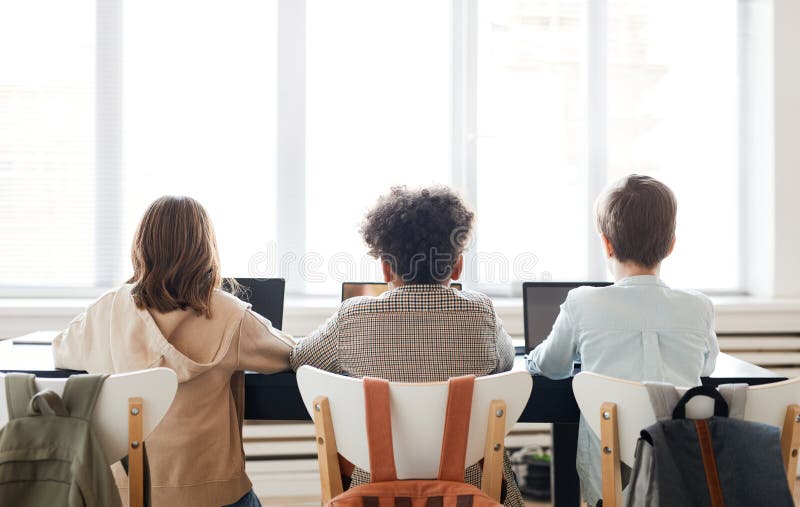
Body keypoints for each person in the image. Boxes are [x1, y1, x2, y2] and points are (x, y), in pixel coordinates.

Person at [53, 196, 295, 507]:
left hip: (122, 496)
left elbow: (61, 348)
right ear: (205, 247)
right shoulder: (229, 314)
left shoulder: (108, 309)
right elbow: (289, 353)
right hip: (211, 494)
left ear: (142, 246)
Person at [290, 185, 522, 507]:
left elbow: (299, 359)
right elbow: (506, 363)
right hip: (468, 490)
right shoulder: (480, 312)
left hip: (373, 492)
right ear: (457, 267)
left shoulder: (353, 316)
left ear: (386, 268)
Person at [526, 174, 720, 506]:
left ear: (606, 244)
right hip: (681, 471)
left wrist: (533, 357)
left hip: (609, 479)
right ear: (671, 245)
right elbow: (708, 365)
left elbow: (552, 366)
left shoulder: (582, 302)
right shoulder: (699, 307)